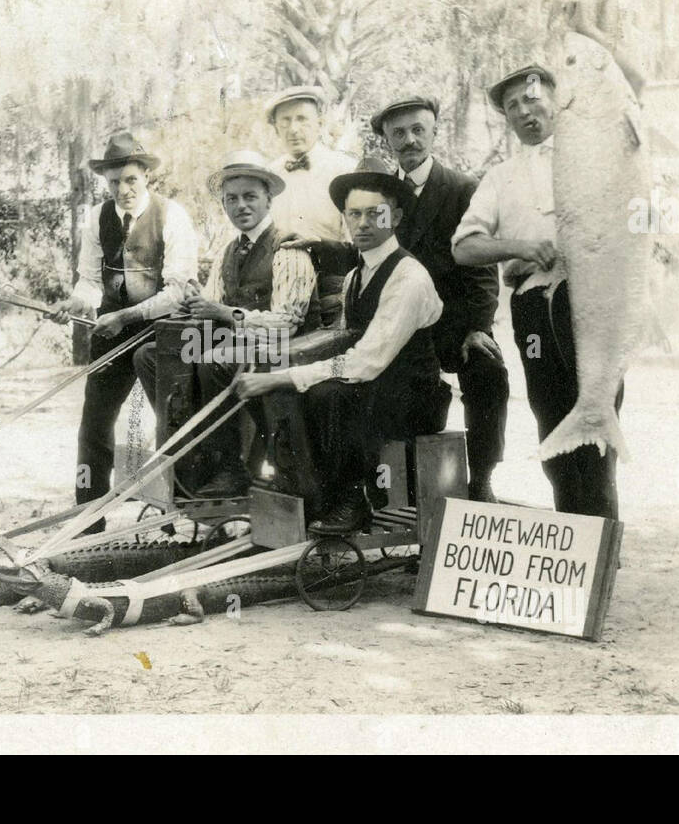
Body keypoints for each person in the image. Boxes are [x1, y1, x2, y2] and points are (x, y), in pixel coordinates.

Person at [301, 95, 510, 501]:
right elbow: (374, 250)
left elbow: (484, 271)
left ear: (434, 132)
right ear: (386, 140)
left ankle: (482, 476)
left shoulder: (463, 189)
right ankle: (372, 485)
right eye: (399, 133)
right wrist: (320, 246)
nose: (410, 140)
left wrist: (477, 328)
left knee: (488, 371)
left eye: (418, 130)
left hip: (449, 326)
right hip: (397, 324)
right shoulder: (383, 192)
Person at [235, 157, 451, 534]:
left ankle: (353, 500)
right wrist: (278, 371)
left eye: (374, 214)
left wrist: (284, 376)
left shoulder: (409, 278)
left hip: (414, 396)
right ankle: (303, 488)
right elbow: (343, 339)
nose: (363, 224)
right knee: (286, 392)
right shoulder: (356, 275)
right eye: (354, 215)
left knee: (329, 395)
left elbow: (366, 363)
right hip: (378, 385)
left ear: (395, 218)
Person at [451, 65, 623, 520]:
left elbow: (630, 224)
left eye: (532, 98)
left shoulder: (596, 156)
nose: (525, 111)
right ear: (505, 118)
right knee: (552, 422)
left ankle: (603, 541)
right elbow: (465, 247)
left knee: (600, 418)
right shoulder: (500, 177)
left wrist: (571, 251)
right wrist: (519, 249)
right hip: (533, 310)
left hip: (593, 301)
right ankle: (574, 538)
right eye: (513, 106)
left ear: (555, 99)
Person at [134, 151, 319, 498]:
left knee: (214, 360)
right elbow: (212, 305)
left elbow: (286, 324)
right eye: (232, 199)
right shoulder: (228, 252)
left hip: (283, 352)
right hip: (235, 344)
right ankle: (191, 453)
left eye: (250, 197)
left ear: (268, 199)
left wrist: (223, 314)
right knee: (151, 355)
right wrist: (197, 304)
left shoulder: (289, 247)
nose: (241, 206)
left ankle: (232, 468)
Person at [51, 130, 200, 532]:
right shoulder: (97, 219)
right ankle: (88, 519)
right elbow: (89, 282)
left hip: (163, 334)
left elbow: (178, 292)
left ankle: (173, 517)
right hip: (111, 332)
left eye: (130, 179)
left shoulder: (173, 216)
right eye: (114, 182)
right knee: (94, 425)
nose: (122, 189)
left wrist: (126, 316)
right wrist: (76, 302)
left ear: (146, 176)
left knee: (168, 424)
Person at [262, 86, 358, 326]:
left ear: (320, 122)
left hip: (332, 290)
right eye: (285, 121)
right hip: (279, 289)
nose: (294, 129)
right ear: (275, 128)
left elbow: (361, 244)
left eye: (302, 119)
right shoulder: (268, 176)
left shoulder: (344, 169)